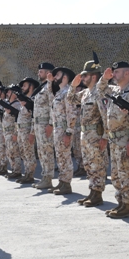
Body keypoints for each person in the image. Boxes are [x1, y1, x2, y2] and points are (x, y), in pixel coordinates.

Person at [95, 61, 129, 218]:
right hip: (114, 139)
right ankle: (121, 203)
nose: (114, 75)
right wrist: (104, 78)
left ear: (127, 74)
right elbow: (100, 89)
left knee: (125, 173)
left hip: (125, 139)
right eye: (113, 73)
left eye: (117, 72)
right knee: (116, 174)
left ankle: (128, 205)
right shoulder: (116, 91)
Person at [68, 56, 108, 207]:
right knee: (89, 165)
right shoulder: (85, 93)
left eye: (85, 75)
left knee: (97, 164)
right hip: (85, 134)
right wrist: (73, 86)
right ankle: (92, 191)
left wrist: (105, 136)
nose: (82, 77)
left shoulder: (99, 92)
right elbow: (71, 99)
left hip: (96, 135)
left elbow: (105, 116)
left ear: (94, 76)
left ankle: (98, 194)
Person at [51, 67, 76, 195]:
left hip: (64, 129)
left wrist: (68, 132)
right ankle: (62, 181)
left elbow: (71, 113)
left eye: (58, 75)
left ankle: (67, 184)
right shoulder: (59, 93)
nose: (55, 77)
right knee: (60, 157)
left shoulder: (67, 93)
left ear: (65, 77)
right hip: (57, 129)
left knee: (65, 157)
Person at [32, 62, 57, 190]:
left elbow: (53, 105)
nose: (38, 73)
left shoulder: (51, 87)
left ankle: (48, 178)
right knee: (41, 152)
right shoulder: (41, 88)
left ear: (48, 73)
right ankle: (44, 177)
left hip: (45, 124)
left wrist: (51, 124)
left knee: (47, 152)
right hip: (38, 125)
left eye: (41, 71)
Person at [16, 77, 39, 184]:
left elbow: (35, 117)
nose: (22, 88)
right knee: (24, 153)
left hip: (27, 130)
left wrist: (32, 133)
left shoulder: (34, 100)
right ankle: (27, 173)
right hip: (21, 131)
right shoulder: (23, 101)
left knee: (29, 153)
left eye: (25, 86)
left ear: (31, 87)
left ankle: (30, 175)